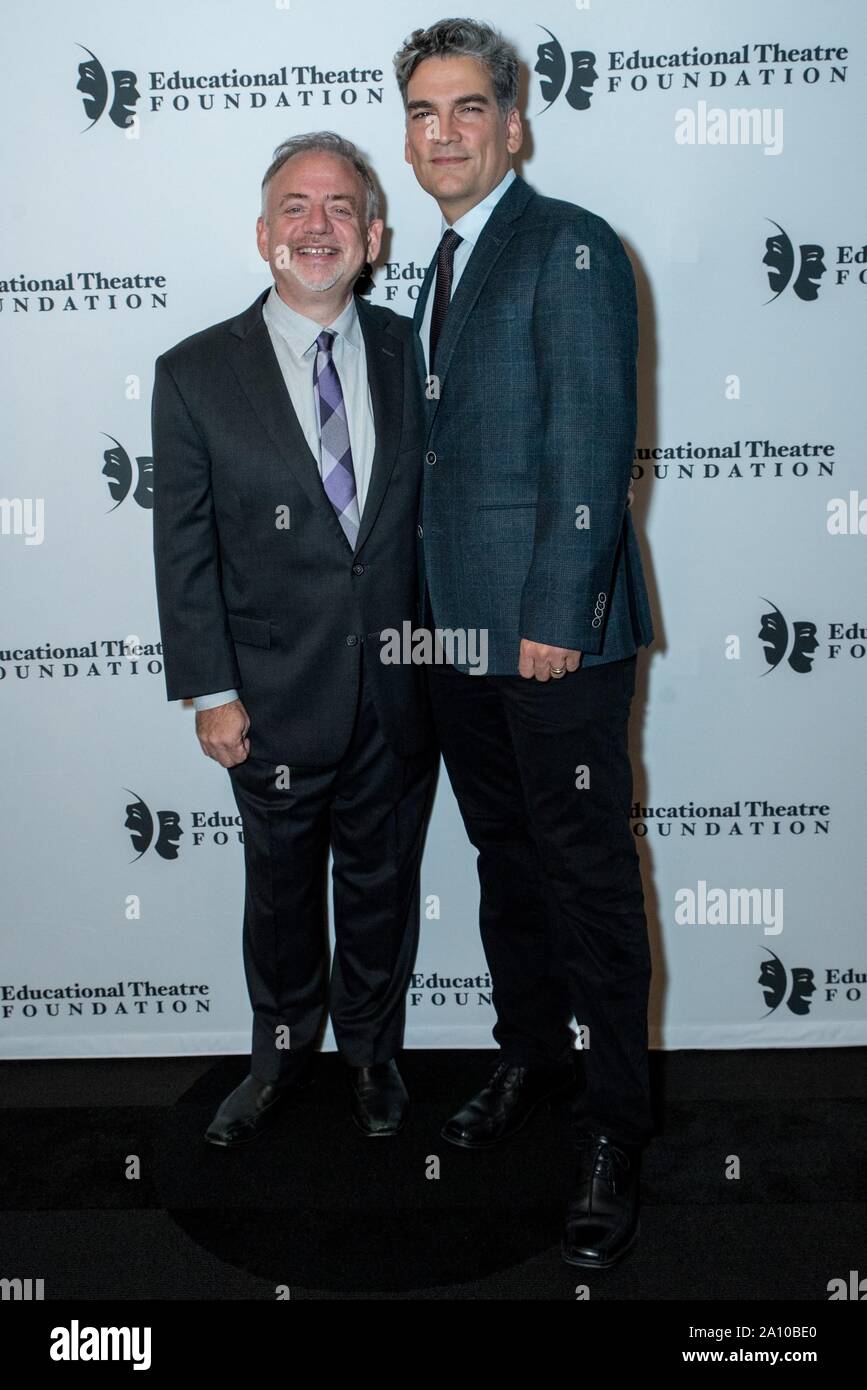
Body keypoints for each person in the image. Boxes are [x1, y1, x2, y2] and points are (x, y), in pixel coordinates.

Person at [394, 18, 655, 1268]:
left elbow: (593, 443)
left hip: (555, 640)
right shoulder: (434, 268)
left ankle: (615, 1124)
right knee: (507, 863)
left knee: (586, 876)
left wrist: (560, 613)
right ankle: (530, 1061)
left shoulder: (572, 248)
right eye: (423, 114)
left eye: (465, 110)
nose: (442, 134)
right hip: (456, 642)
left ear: (513, 123)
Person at [152, 132, 435, 1147]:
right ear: (263, 233)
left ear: (373, 235)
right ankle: (276, 1058)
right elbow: (182, 550)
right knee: (278, 898)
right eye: (296, 207)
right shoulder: (192, 373)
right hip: (268, 700)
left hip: (402, 693)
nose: (319, 225)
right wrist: (210, 690)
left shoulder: (415, 352)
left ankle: (370, 1054)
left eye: (341, 208)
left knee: (380, 887)